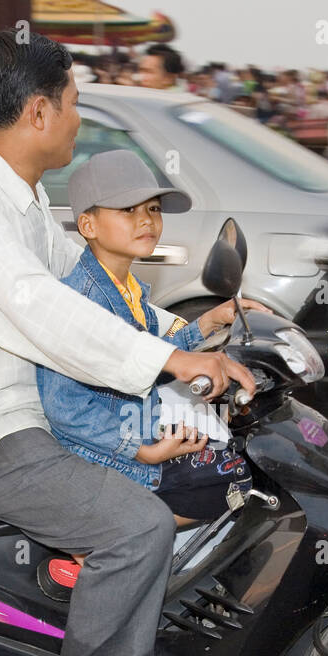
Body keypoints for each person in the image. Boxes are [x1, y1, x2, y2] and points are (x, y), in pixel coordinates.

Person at [0, 29, 255, 656]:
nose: (76, 120)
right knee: (136, 526)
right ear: (37, 111)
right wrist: (172, 360)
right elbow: (43, 313)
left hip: (36, 406)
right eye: (72, 104)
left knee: (198, 465)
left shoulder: (20, 194)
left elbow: (92, 301)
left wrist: (197, 332)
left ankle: (85, 642)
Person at [37, 149, 258, 528]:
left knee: (238, 457)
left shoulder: (127, 290)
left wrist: (208, 322)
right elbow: (65, 408)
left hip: (136, 433)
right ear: (88, 226)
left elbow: (151, 362)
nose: (147, 221)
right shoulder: (79, 303)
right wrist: (145, 452)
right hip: (104, 457)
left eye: (153, 209)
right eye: (128, 210)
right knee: (234, 477)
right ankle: (116, 538)